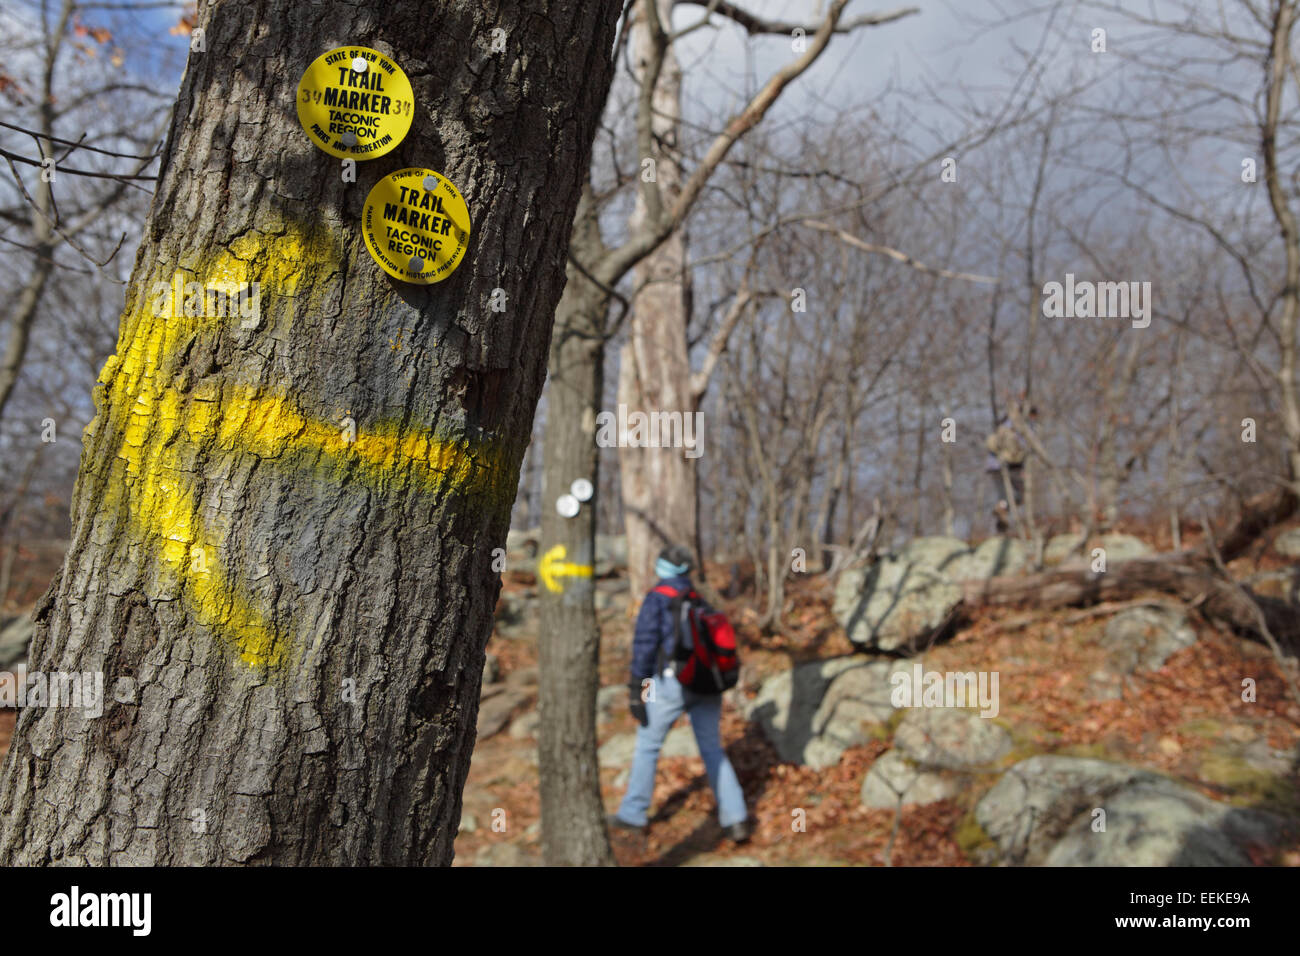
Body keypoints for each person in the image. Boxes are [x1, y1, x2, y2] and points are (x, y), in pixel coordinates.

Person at [609, 544, 750, 842]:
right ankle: (736, 818)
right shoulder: (701, 598)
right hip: (708, 683)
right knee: (713, 750)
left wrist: (637, 691)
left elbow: (645, 646)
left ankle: (633, 815)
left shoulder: (658, 598)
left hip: (672, 683)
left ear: (664, 568)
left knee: (648, 745)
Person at [984, 403, 1036, 533]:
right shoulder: (1018, 427)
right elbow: (1022, 447)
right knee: (1016, 496)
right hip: (1008, 465)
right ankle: (1002, 509)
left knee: (1005, 496)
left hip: (996, 465)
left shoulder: (1004, 424)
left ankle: (1002, 510)